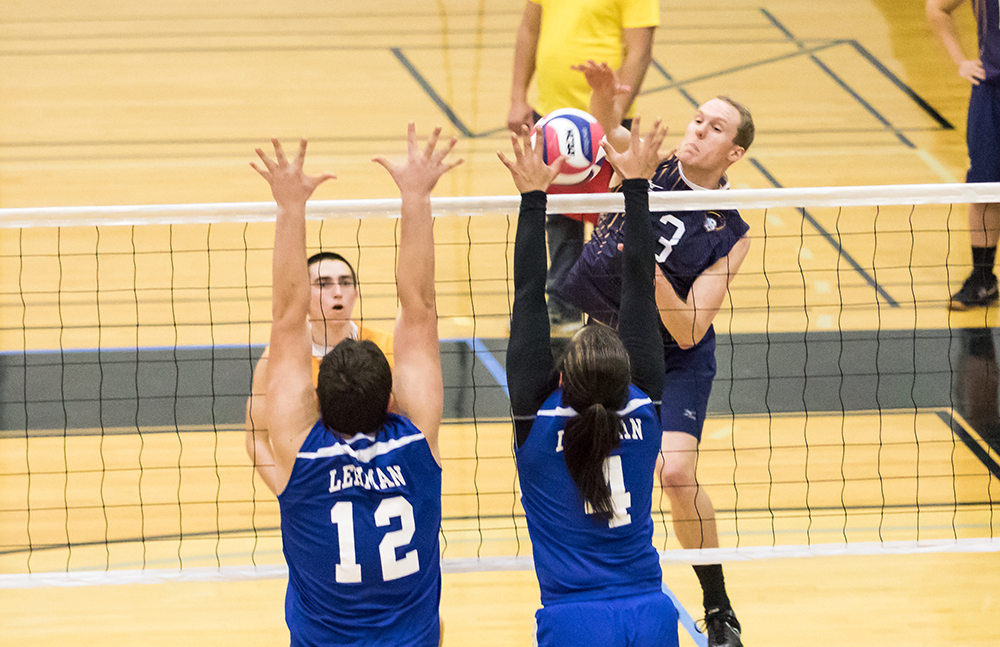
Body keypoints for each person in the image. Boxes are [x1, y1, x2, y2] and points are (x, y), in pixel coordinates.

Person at [555, 63, 753, 647]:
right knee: (589, 467)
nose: (698, 131)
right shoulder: (652, 165)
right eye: (697, 119)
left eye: (715, 128)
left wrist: (645, 260)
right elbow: (609, 135)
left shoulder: (732, 230)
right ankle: (599, 584)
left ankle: (717, 607)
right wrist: (599, 100)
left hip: (676, 357)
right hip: (609, 343)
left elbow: (692, 328)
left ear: (734, 153)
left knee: (675, 471)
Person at [250, 126, 461, 646]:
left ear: (316, 400)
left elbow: (285, 319)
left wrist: (289, 208)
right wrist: (417, 197)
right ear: (391, 398)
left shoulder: (301, 458)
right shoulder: (415, 444)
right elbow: (421, 308)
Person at [501, 118, 679, 647]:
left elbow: (530, 291)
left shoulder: (540, 416)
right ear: (629, 376)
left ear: (559, 376)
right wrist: (636, 188)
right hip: (650, 611)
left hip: (575, 620)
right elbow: (641, 290)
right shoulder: (645, 408)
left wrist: (535, 197)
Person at [508, 0, 659, 332]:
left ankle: (611, 313)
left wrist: (613, 109)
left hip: (603, 123)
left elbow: (639, 52)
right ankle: (563, 310)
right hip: (551, 122)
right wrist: (518, 96)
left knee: (613, 220)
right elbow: (529, 29)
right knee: (560, 217)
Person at [246, 250, 394, 495]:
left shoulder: (386, 349)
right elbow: (255, 439)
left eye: (345, 283)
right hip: (316, 491)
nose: (337, 291)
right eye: (323, 284)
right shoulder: (278, 359)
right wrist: (290, 496)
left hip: (380, 485)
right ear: (302, 296)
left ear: (355, 293)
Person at [926, 0, 1000, 309]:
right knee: (984, 188)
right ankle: (982, 279)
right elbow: (937, 7)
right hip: (991, 94)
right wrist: (961, 61)